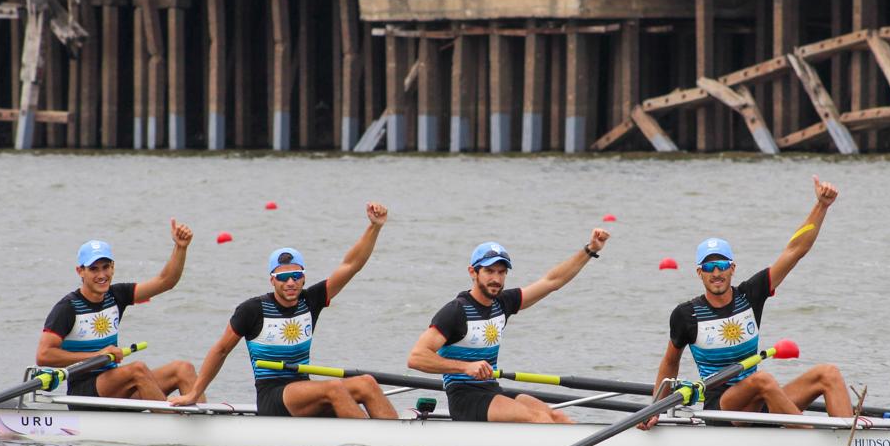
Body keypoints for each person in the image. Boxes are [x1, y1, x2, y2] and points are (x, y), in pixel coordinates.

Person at [639, 176, 851, 430]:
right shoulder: (686, 314)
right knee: (763, 380)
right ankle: (809, 437)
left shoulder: (750, 295)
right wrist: (655, 409)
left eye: (722, 265)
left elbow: (795, 250)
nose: (716, 272)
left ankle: (852, 439)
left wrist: (822, 206)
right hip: (722, 407)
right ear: (699, 273)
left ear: (732, 269)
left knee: (828, 373)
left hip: (758, 400)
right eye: (709, 266)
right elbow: (670, 362)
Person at [171, 203, 397, 419]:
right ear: (272, 280)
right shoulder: (252, 310)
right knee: (334, 388)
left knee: (366, 382)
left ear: (303, 278)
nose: (290, 282)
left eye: (296, 276)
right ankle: (370, 443)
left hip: (304, 389)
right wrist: (194, 393)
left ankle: (396, 440)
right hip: (273, 395)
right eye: (282, 277)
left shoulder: (310, 301)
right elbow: (220, 350)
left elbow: (351, 265)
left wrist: (375, 226)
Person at [408, 229, 611, 423]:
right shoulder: (455, 312)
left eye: (502, 272)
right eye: (489, 271)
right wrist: (465, 367)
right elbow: (416, 357)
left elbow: (552, 281)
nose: (496, 279)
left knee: (558, 418)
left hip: (491, 390)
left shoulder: (503, 303)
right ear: (473, 272)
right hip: (465, 398)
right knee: (538, 420)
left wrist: (590, 250)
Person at [36, 219, 198, 402]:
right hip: (83, 392)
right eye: (93, 269)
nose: (102, 275)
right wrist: (97, 355)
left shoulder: (117, 295)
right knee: (137, 370)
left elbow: (165, 281)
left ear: (113, 267)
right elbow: (44, 355)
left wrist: (180, 247)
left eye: (106, 267)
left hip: (114, 385)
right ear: (80, 271)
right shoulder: (67, 308)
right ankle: (168, 424)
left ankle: (205, 424)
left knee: (183, 369)